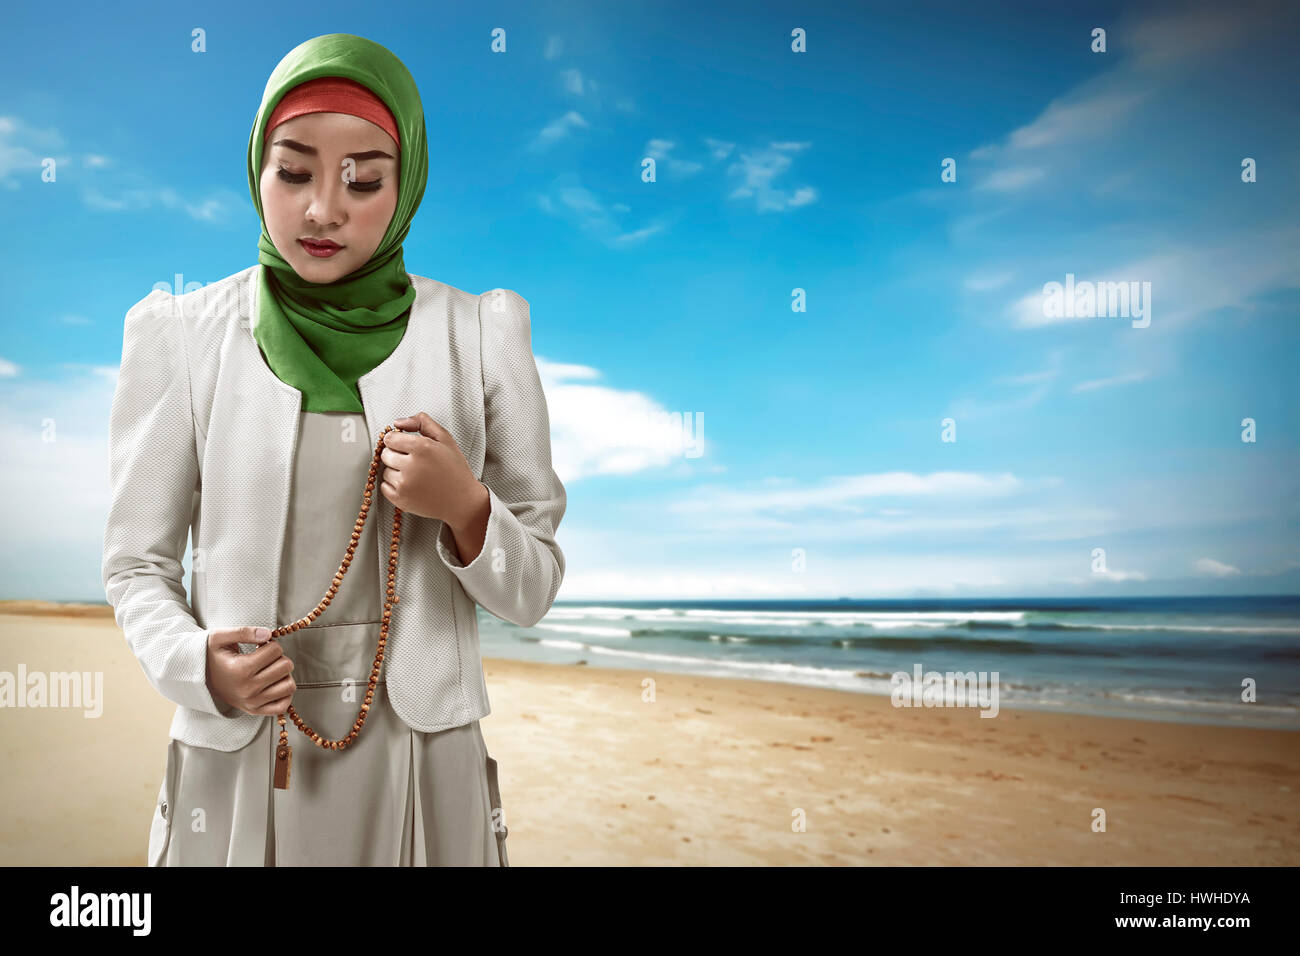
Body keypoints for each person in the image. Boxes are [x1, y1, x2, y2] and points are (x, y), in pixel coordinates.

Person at [102, 33, 566, 866]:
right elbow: (136, 566)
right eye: (293, 171)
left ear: (407, 183)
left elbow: (533, 589)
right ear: (257, 172)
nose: (323, 209)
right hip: (242, 748)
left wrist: (466, 508)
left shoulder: (480, 335)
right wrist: (196, 667)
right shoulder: (179, 336)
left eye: (364, 179)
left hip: (423, 761)